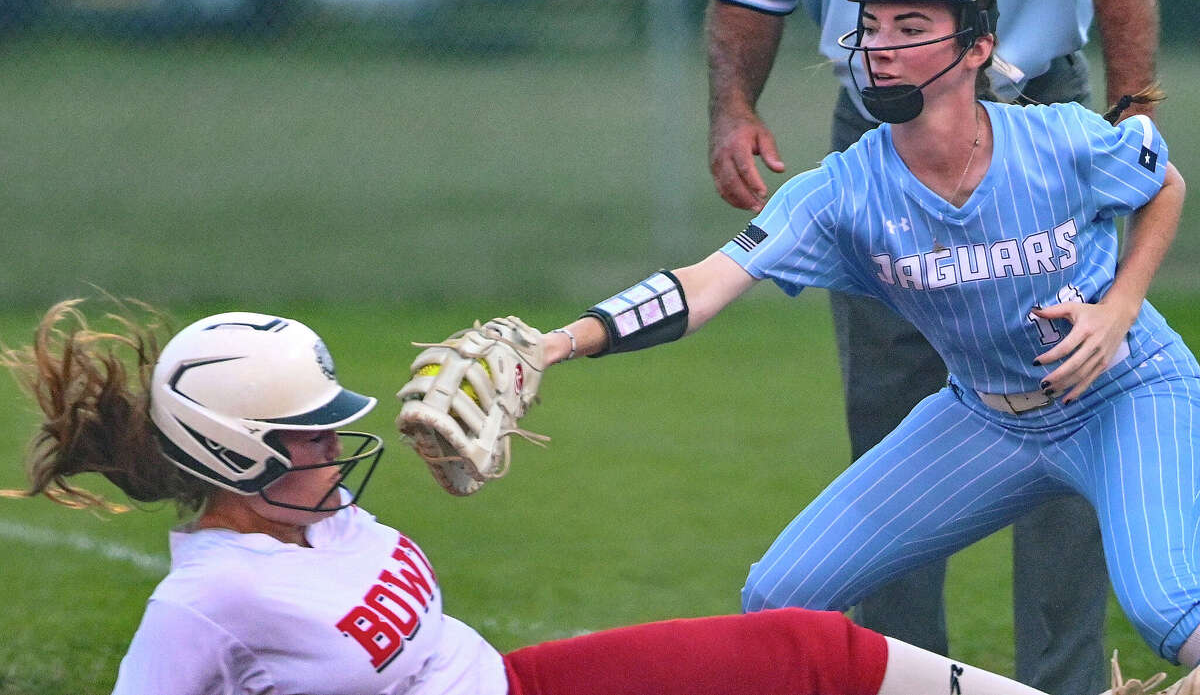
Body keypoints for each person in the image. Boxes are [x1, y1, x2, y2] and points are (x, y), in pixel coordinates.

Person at [515, 0, 1199, 679]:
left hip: (1126, 393)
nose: (880, 46)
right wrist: (557, 342)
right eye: (870, 26)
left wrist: (1120, 308)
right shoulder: (844, 189)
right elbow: (704, 284)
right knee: (781, 597)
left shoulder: (1056, 137)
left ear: (977, 48)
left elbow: (1163, 182)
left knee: (1170, 608)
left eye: (909, 27)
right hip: (988, 418)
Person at [1, 299, 1128, 695]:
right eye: (308, 431)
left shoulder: (316, 513)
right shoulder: (201, 606)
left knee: (807, 649)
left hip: (520, 682)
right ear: (234, 453)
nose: (337, 443)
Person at [698, 0, 1159, 691]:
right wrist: (733, 104)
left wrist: (1132, 109)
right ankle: (901, 676)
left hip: (1036, 103)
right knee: (885, 413)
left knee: (1071, 392)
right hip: (882, 121)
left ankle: (1064, 682)